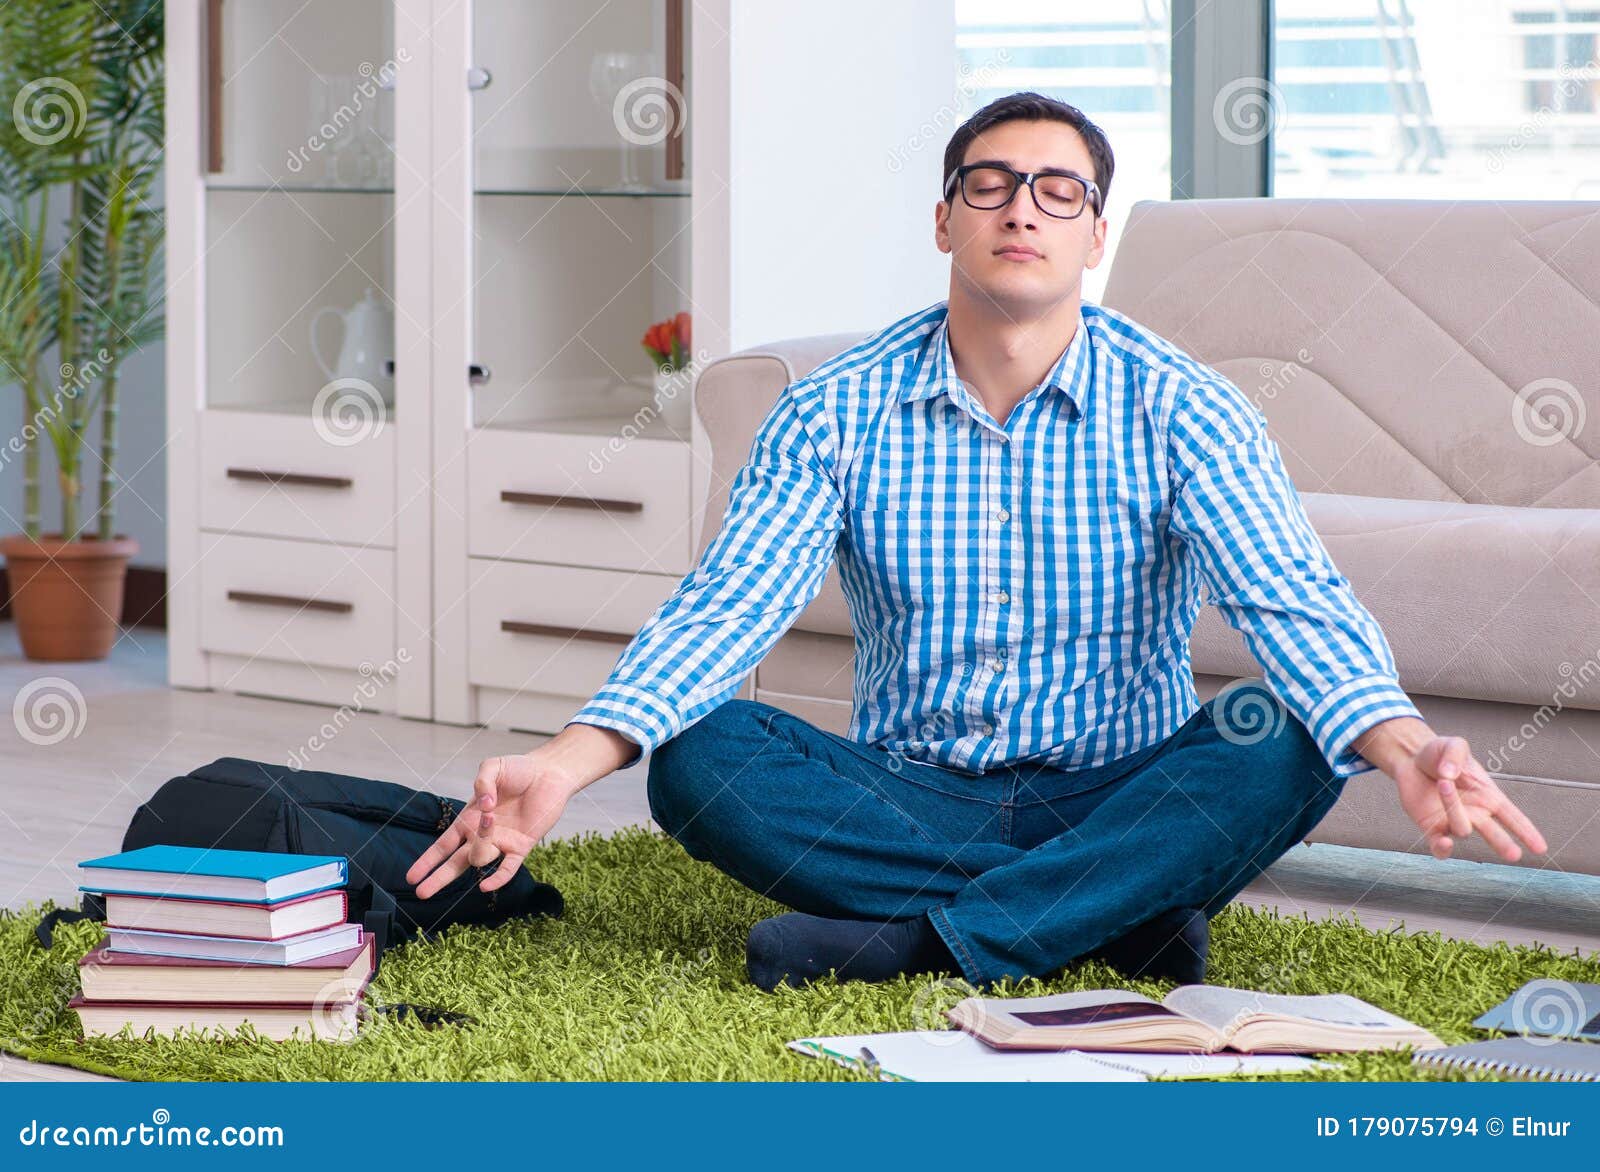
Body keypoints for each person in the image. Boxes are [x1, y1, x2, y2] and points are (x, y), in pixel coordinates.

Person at [407, 92, 1547, 993]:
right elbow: (725, 609)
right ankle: (1117, 913)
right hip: (912, 789)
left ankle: (930, 942)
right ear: (944, 218)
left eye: (1059, 192)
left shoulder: (1183, 406)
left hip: (1115, 785)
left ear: (1095, 235)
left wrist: (1403, 744)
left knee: (1285, 733)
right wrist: (563, 758)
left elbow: (1289, 600)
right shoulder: (830, 410)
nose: (1021, 210)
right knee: (702, 755)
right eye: (990, 184)